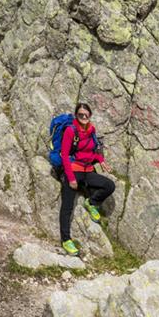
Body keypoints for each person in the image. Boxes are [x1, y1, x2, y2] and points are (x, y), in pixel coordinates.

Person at [56, 101, 115, 256]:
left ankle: (92, 203)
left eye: (86, 114)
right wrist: (71, 178)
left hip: (88, 170)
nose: (83, 117)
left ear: (90, 115)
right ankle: (66, 240)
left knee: (109, 185)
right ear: (76, 115)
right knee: (67, 207)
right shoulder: (70, 131)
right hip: (73, 170)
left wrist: (101, 160)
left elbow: (90, 152)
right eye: (80, 114)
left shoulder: (91, 130)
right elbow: (64, 156)